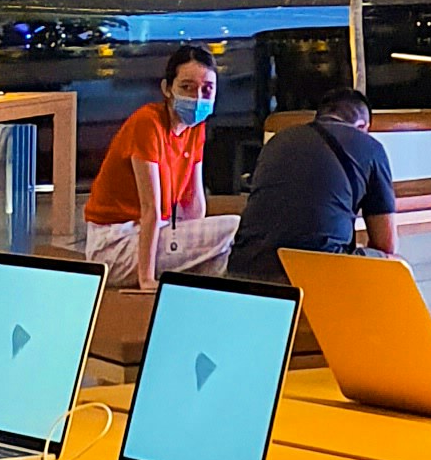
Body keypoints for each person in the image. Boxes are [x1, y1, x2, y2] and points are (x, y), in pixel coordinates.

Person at [80, 46, 236, 287]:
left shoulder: (195, 129)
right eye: (187, 87)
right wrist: (147, 279)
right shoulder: (148, 124)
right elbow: (149, 208)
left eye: (207, 89)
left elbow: (193, 204)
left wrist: (199, 241)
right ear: (167, 89)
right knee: (235, 230)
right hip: (115, 245)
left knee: (225, 258)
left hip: (155, 234)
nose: (198, 98)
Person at [225, 88, 398, 289]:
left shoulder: (278, 140)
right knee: (393, 262)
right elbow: (386, 244)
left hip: (244, 268)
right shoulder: (370, 147)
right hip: (316, 274)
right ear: (362, 126)